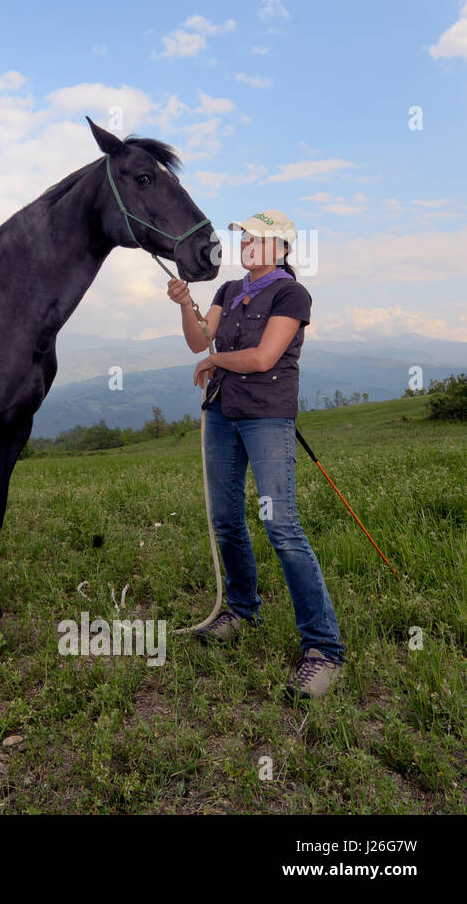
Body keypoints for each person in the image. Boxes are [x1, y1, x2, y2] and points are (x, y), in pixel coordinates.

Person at [167, 210, 344, 700]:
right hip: (223, 411)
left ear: (283, 249)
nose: (246, 242)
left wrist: (216, 359)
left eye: (258, 237)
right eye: (244, 235)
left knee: (281, 526)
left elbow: (264, 358)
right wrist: (186, 305)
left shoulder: (291, 293)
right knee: (225, 518)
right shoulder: (227, 291)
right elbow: (199, 339)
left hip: (267, 415)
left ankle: (324, 649)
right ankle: (243, 610)